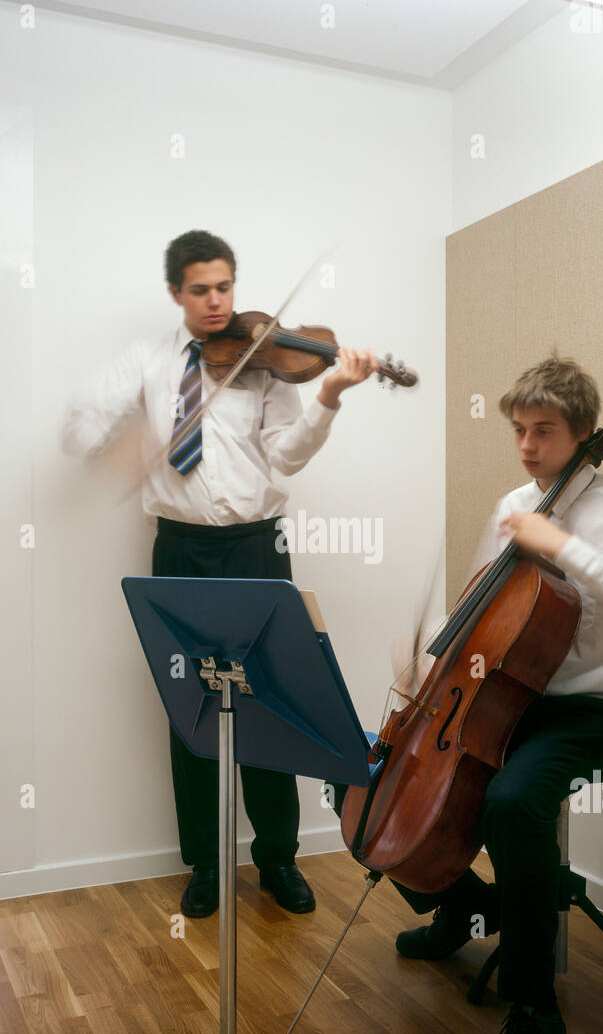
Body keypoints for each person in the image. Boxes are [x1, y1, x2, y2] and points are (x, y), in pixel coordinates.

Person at [392, 353, 603, 1034]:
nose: (526, 447)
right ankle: (459, 904)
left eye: (543, 431)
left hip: (586, 712)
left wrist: (562, 547)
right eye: (518, 431)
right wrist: (419, 672)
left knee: (513, 805)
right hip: (496, 702)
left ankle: (533, 1016)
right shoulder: (513, 502)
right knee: (366, 777)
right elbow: (475, 615)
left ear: (584, 431)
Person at [61, 229, 378, 919]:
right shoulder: (149, 361)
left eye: (225, 287)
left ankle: (277, 860)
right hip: (178, 553)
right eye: (201, 289)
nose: (216, 302)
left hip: (255, 553)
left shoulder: (264, 362)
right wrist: (117, 441)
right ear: (176, 292)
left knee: (270, 702)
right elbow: (78, 428)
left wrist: (330, 396)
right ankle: (207, 863)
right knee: (194, 710)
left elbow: (287, 458)